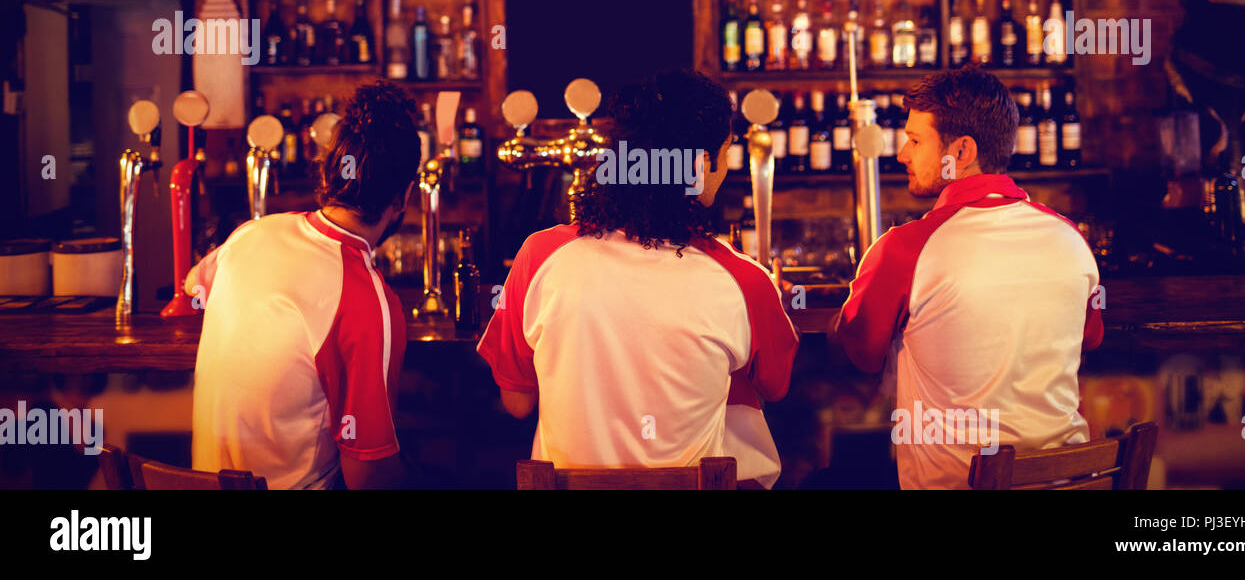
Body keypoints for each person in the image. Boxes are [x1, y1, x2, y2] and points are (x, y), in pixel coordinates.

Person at [477, 70, 799, 488]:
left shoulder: (539, 256)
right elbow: (774, 387)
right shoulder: (744, 280)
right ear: (700, 166)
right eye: (726, 152)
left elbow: (517, 402)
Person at [832, 67, 1104, 489]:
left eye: (916, 141)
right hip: (1074, 482)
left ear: (960, 152)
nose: (902, 154)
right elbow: (1090, 338)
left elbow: (860, 354)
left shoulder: (907, 248)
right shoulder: (1071, 239)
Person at [188, 82, 420, 489]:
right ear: (404, 196)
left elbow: (195, 286)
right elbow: (366, 475)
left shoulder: (249, 235)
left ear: (329, 173)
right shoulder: (366, 299)